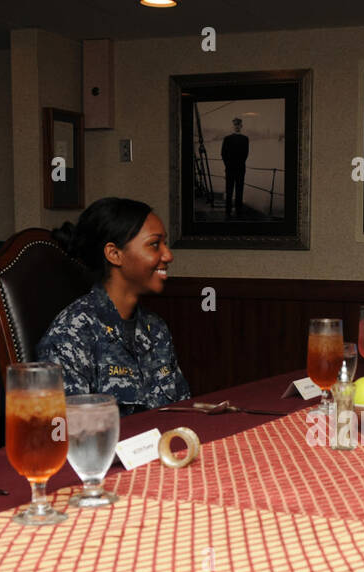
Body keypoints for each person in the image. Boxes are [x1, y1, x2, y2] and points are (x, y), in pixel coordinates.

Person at [37, 198, 190, 415]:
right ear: (114, 254)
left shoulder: (155, 328)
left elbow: (182, 411)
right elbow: (64, 429)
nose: (168, 255)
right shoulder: (71, 334)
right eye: (155, 244)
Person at [221, 117, 249, 216]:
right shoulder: (227, 139)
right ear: (233, 126)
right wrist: (228, 165)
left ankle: (238, 210)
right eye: (235, 125)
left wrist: (235, 165)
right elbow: (223, 154)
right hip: (230, 169)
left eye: (238, 125)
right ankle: (228, 211)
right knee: (229, 191)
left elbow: (245, 154)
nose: (237, 126)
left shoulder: (245, 139)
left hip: (240, 169)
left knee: (239, 190)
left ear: (241, 126)